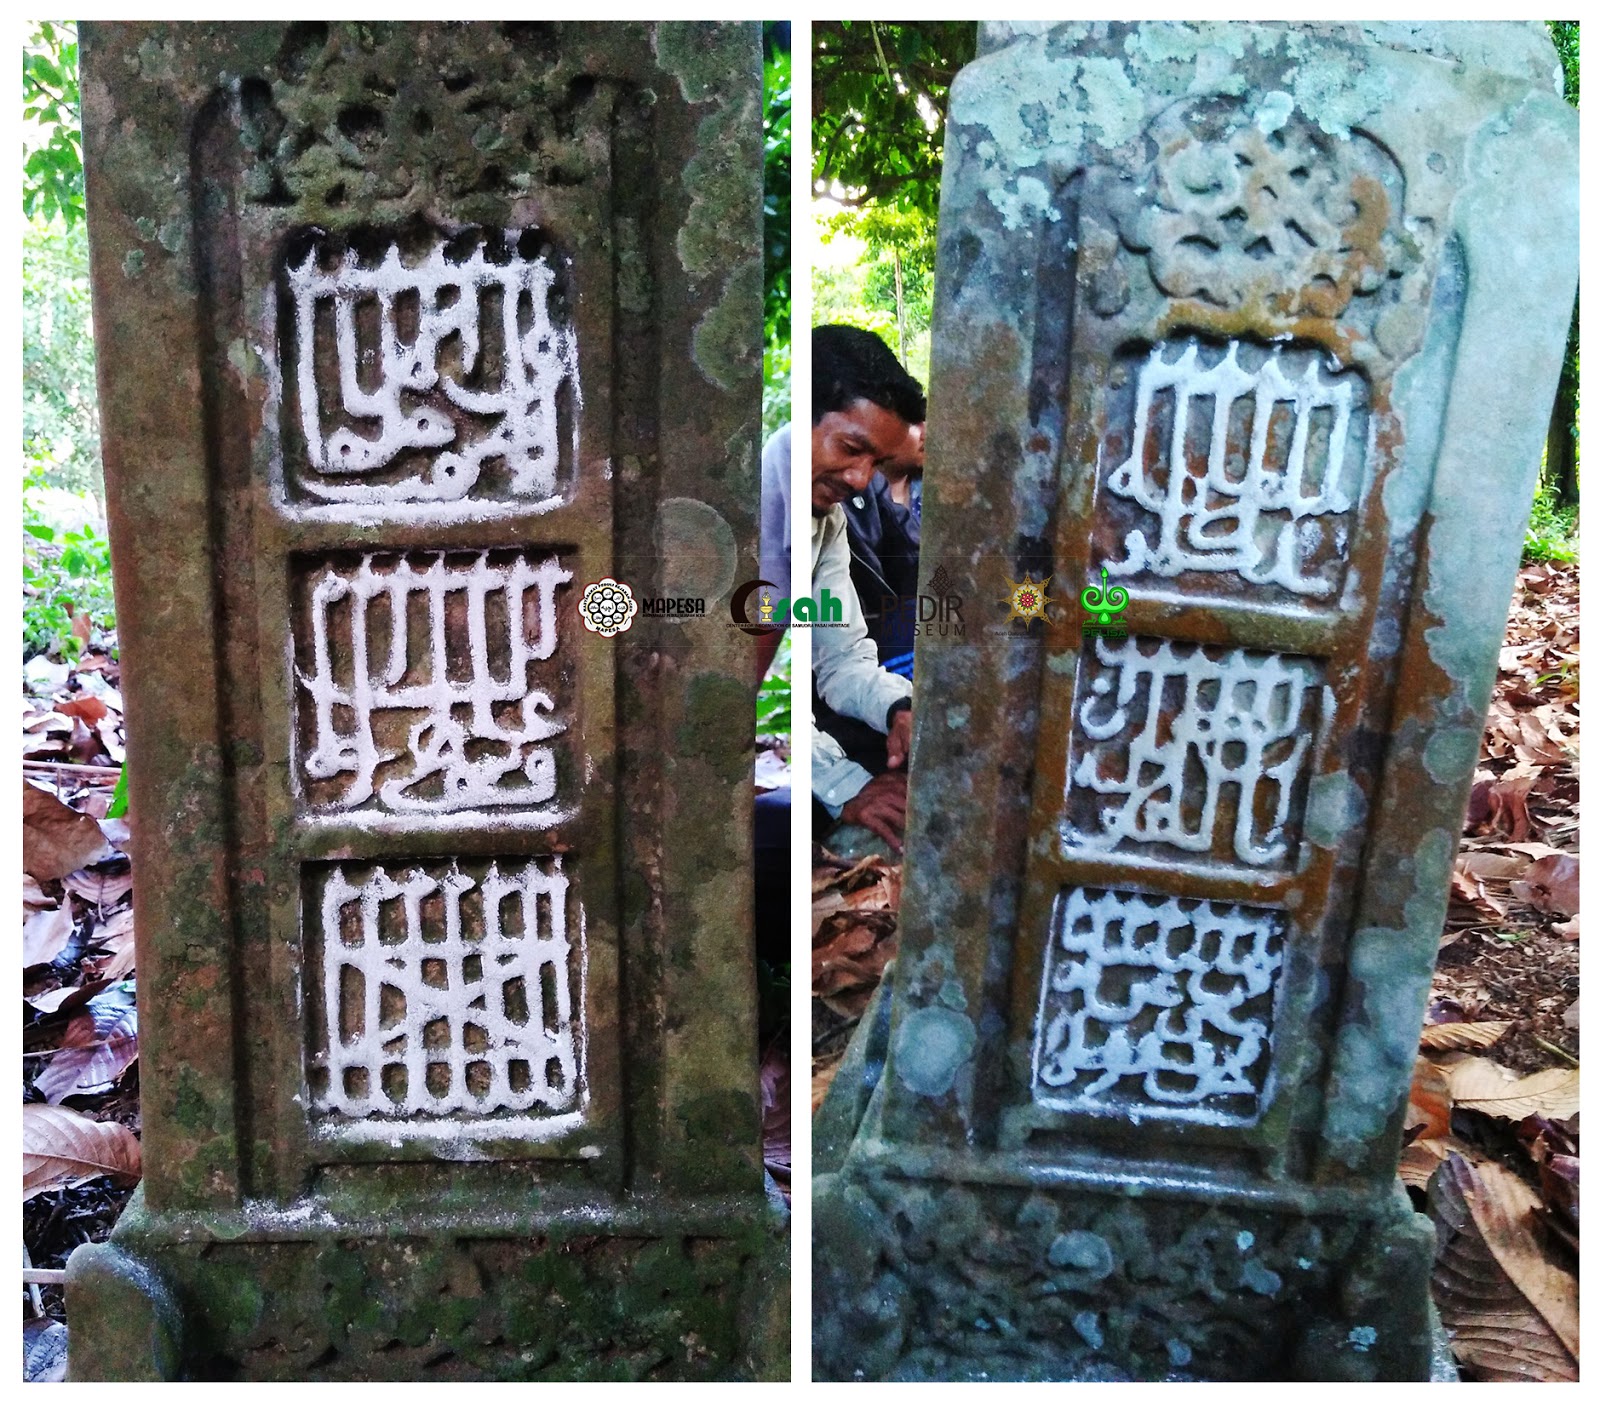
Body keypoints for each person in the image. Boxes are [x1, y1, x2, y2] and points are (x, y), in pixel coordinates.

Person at [808, 325, 926, 850]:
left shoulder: (827, 521)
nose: (860, 478)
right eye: (851, 448)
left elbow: (842, 661)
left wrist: (899, 707)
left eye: (874, 462)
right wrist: (844, 785)